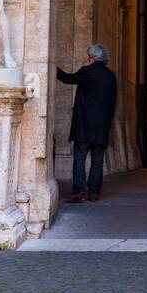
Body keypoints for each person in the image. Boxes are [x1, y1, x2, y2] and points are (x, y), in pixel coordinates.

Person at [56, 44, 118, 202]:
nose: (88, 59)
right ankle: (94, 192)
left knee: (80, 159)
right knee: (97, 161)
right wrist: (108, 125)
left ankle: (79, 192)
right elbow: (113, 103)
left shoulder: (87, 71)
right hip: (101, 127)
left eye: (89, 56)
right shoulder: (111, 76)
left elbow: (67, 78)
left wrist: (52, 67)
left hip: (84, 126)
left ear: (93, 57)